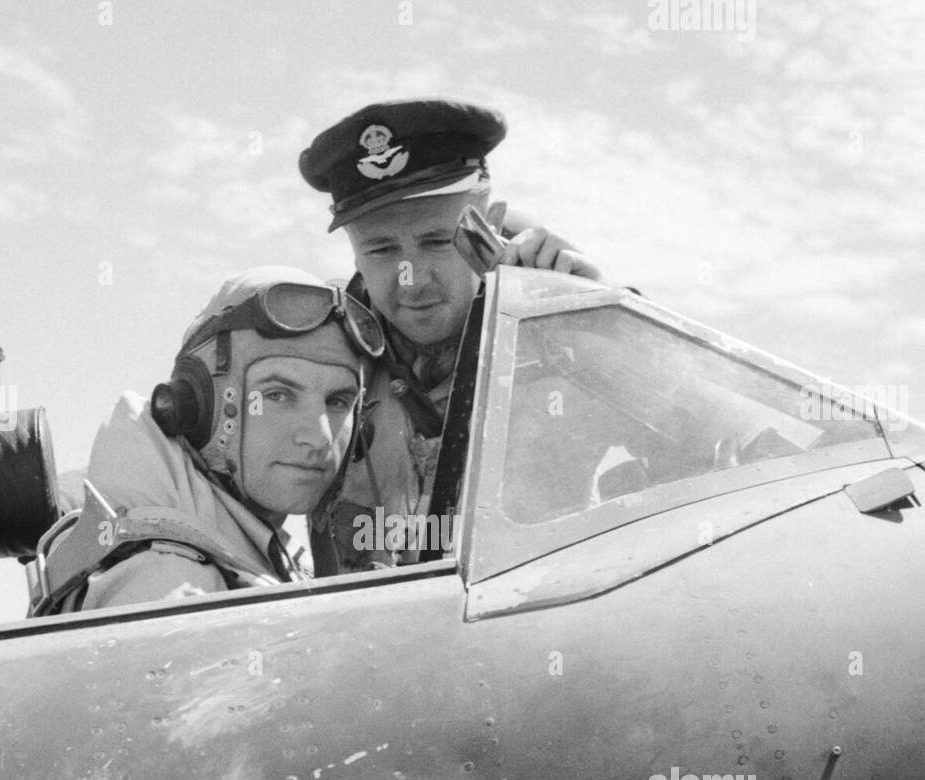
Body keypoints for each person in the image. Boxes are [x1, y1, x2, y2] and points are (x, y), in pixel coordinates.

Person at [299, 98, 603, 569]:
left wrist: (595, 330)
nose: (411, 280)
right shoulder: (317, 355)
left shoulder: (560, 336)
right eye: (380, 250)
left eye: (437, 241)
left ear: (492, 220)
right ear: (353, 253)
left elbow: (736, 451)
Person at [34, 266, 382, 612]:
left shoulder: (219, 557)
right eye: (278, 395)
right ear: (199, 405)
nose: (319, 437)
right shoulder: (172, 589)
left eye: (338, 402)